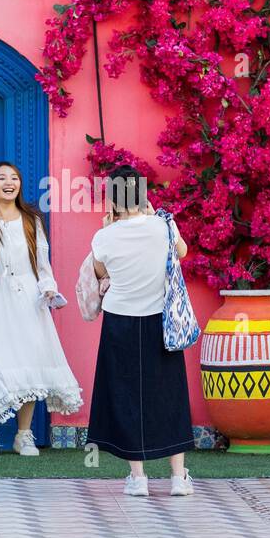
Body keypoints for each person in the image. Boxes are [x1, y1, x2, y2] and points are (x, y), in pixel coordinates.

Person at [0, 161, 82, 455]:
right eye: (2, 178)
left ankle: (24, 434)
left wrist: (48, 287)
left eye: (14, 178)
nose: (9, 182)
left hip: (28, 300)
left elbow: (42, 264)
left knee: (28, 361)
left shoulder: (31, 220)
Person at [87, 165, 195, 497]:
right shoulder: (164, 226)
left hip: (120, 320)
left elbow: (100, 270)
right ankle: (178, 477)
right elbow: (182, 253)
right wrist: (156, 219)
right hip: (159, 320)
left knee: (125, 395)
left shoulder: (103, 236)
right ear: (142, 193)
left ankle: (139, 477)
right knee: (170, 395)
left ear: (113, 199)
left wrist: (112, 227)